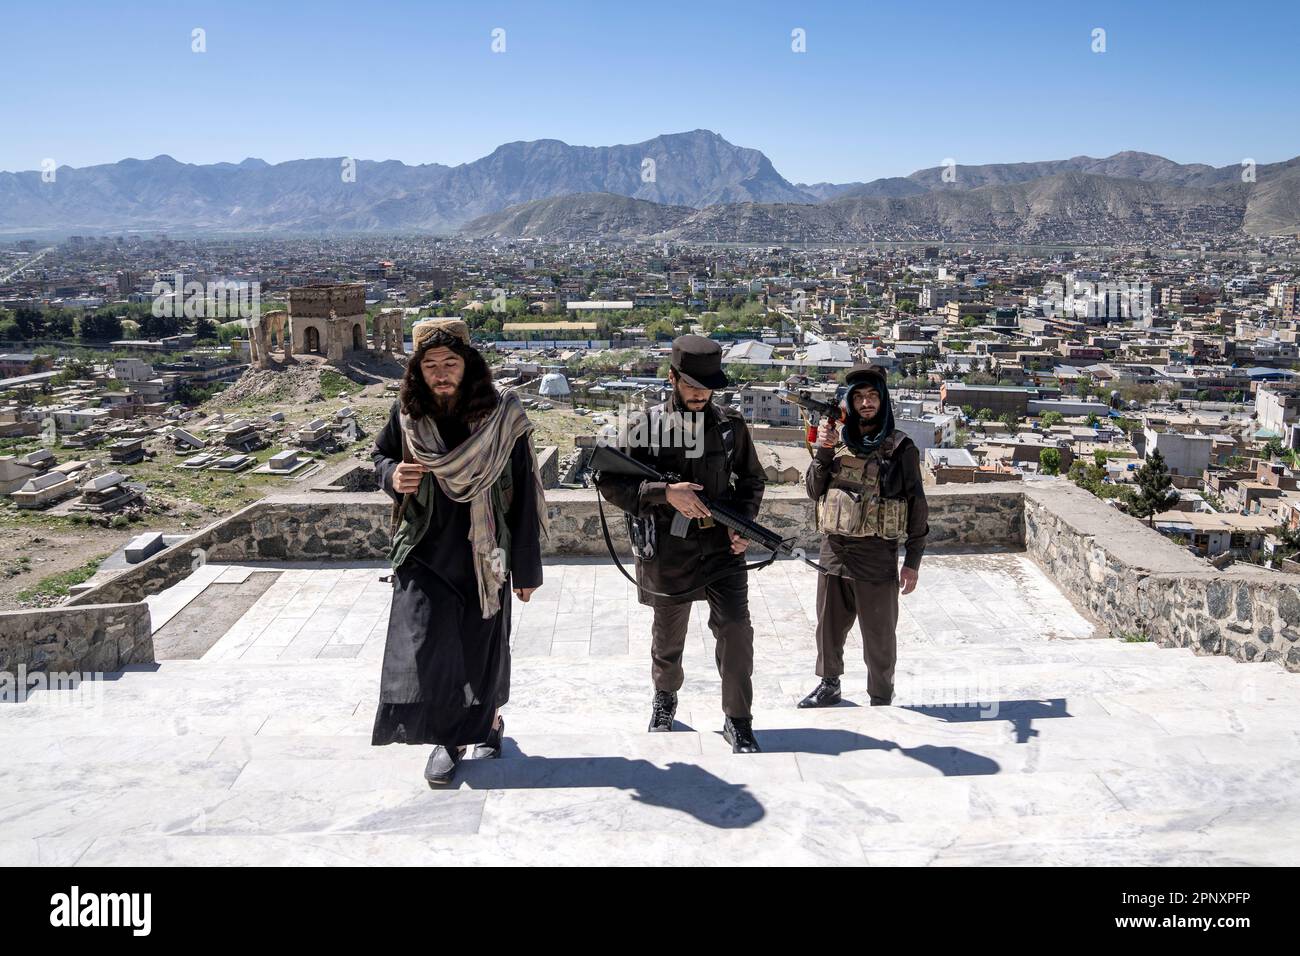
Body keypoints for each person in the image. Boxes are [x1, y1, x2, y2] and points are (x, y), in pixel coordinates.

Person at [371, 318, 547, 787]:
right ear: (417, 371)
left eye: (451, 362)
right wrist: (392, 476)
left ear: (468, 365)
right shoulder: (407, 414)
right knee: (429, 649)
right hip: (424, 550)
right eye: (431, 365)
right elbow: (381, 457)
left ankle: (487, 720)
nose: (442, 372)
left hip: (485, 557)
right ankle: (448, 740)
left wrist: (527, 568)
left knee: (481, 649)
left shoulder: (501, 413)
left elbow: (525, 492)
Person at [597, 334, 767, 753]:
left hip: (722, 550)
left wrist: (742, 525)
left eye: (706, 387)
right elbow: (610, 479)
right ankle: (665, 700)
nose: (699, 394)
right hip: (669, 551)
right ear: (672, 378)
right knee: (668, 637)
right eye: (691, 385)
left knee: (735, 630)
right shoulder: (644, 426)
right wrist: (663, 493)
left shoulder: (730, 427)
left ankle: (738, 719)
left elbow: (752, 480)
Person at [798, 364, 928, 709]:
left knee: (879, 636)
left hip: (876, 554)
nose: (866, 403)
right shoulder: (837, 443)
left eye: (872, 396)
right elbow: (814, 491)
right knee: (828, 629)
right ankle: (829, 684)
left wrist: (912, 562)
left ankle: (881, 695)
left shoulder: (901, 449)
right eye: (858, 397)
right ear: (849, 403)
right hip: (835, 550)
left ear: (882, 401)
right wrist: (823, 452)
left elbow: (917, 505)